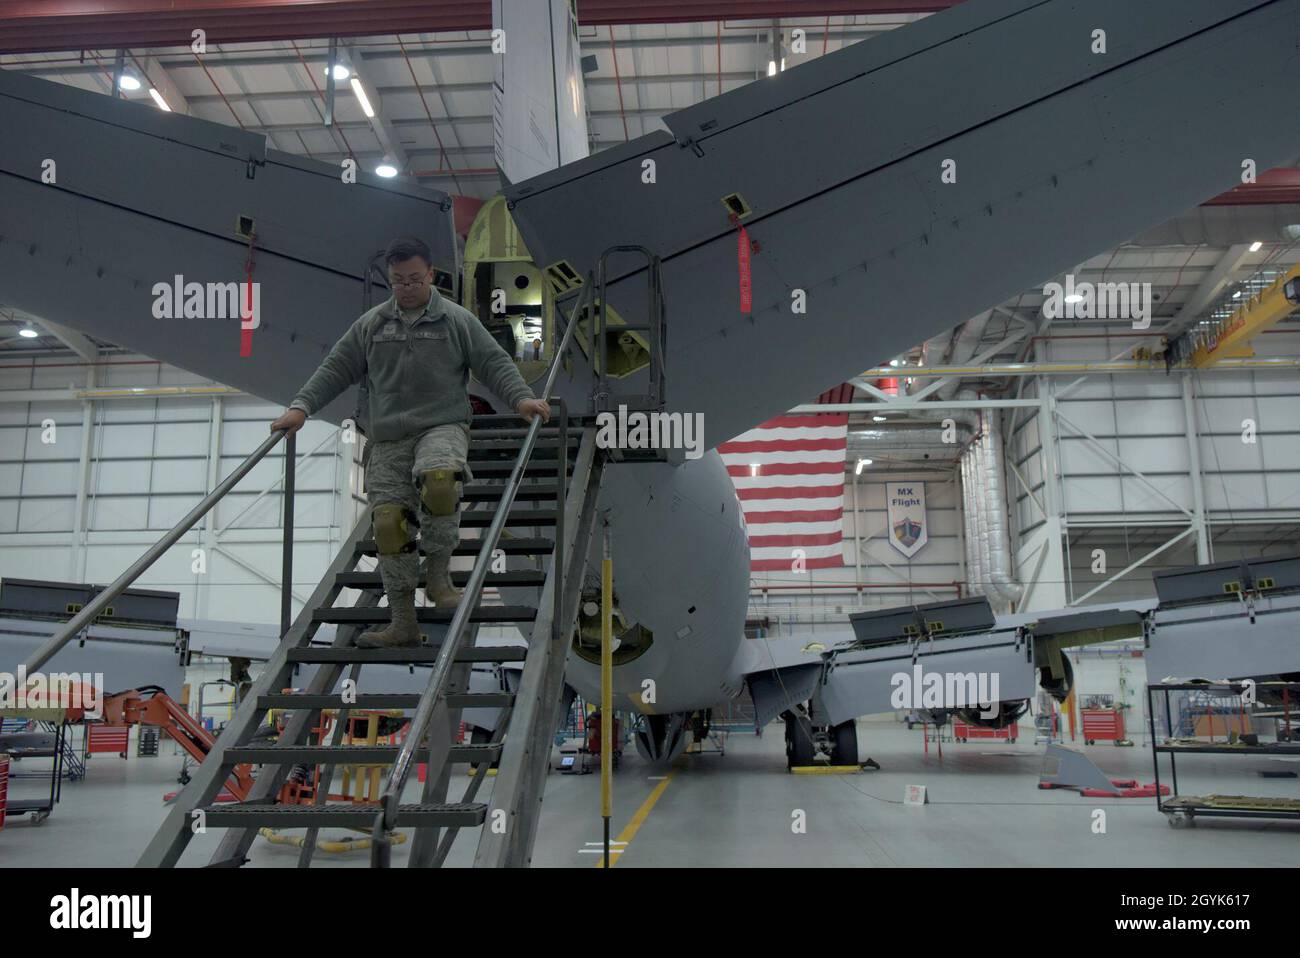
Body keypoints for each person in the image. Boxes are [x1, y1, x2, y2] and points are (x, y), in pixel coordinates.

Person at [270, 236, 550, 648]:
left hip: (442, 426)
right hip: (387, 438)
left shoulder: (455, 320)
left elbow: (492, 361)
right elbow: (336, 367)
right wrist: (300, 408)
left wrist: (522, 398)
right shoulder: (371, 325)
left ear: (431, 275)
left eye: (414, 279)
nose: (406, 288)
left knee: (439, 480)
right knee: (388, 524)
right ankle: (402, 622)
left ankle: (438, 576)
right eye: (398, 281)